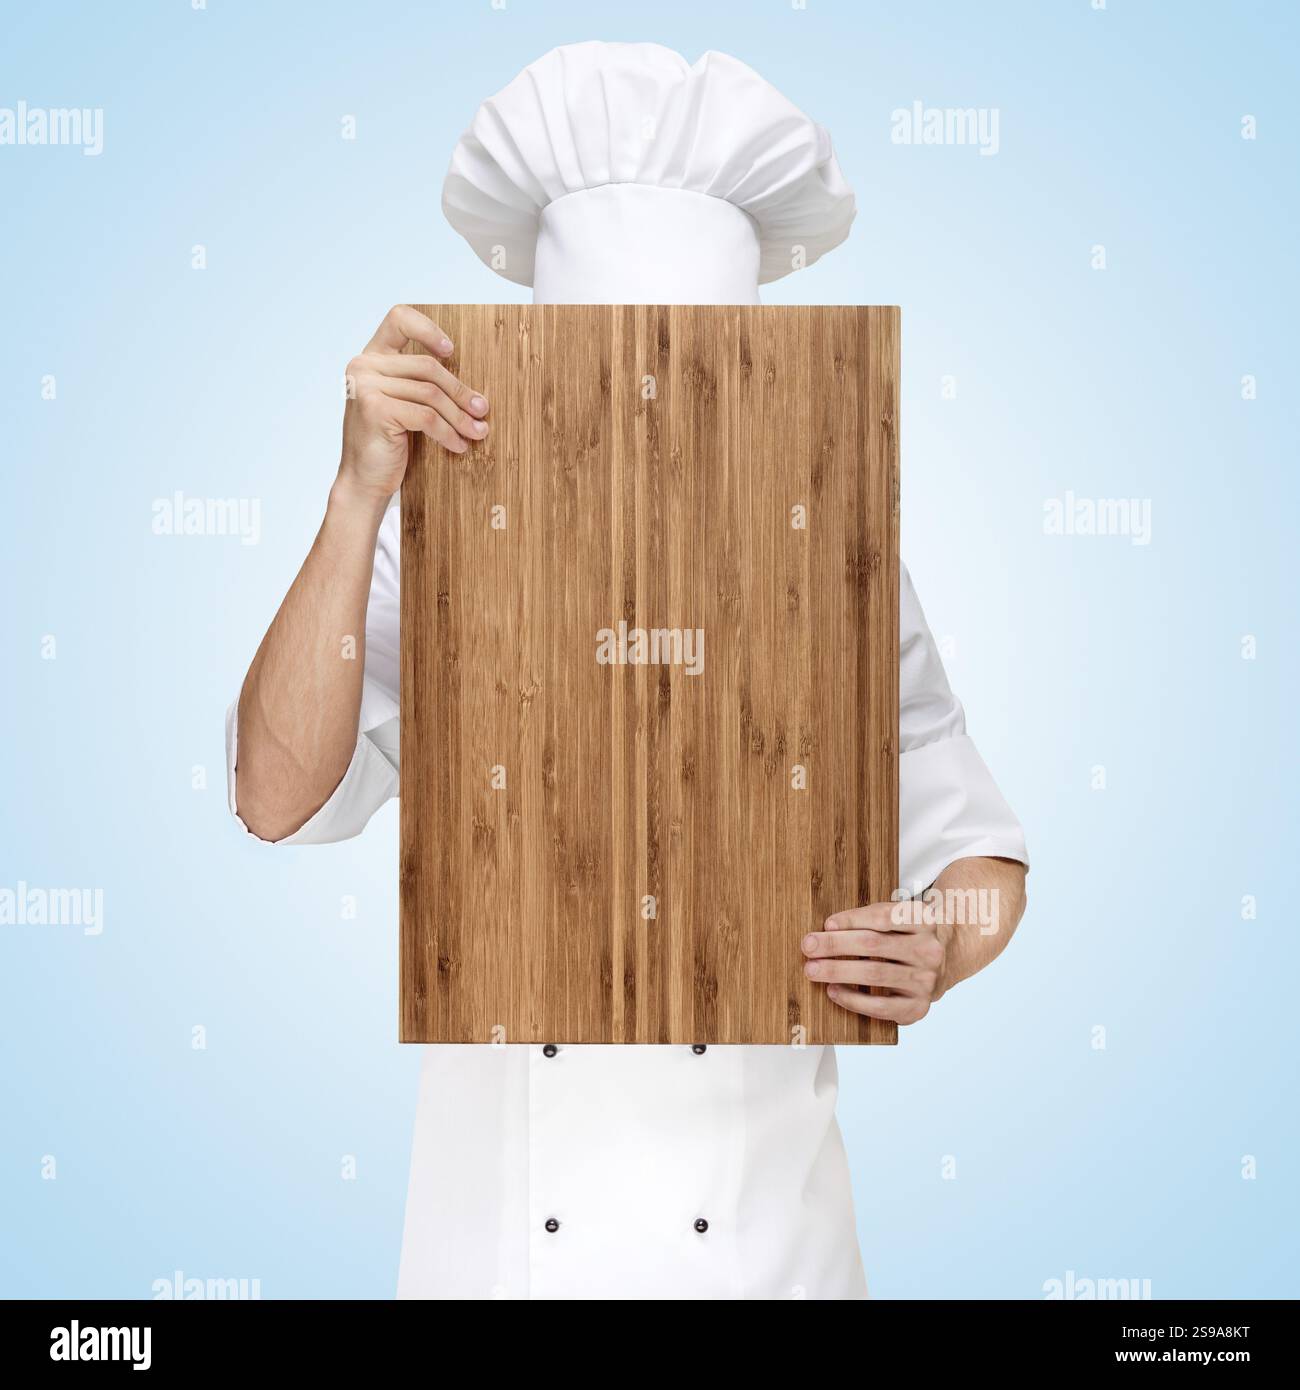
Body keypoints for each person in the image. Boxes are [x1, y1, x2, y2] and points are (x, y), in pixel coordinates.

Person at [225, 42, 1028, 1300]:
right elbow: (272, 796)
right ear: (536, 372)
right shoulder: (435, 548)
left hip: (776, 1259)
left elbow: (979, 859)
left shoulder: (836, 553)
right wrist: (353, 498)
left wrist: (937, 939)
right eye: (602, 383)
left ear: (751, 381)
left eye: (694, 383)